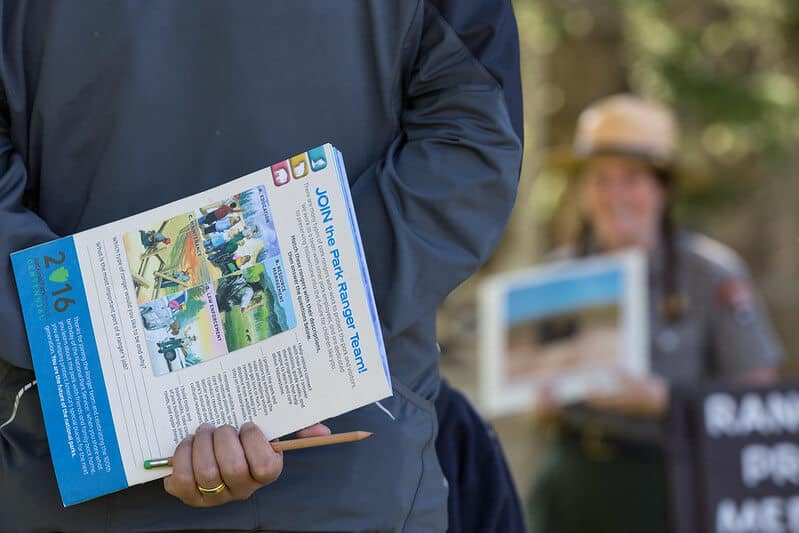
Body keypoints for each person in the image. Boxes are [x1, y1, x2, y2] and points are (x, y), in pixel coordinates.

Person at [0, 2, 522, 532]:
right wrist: (305, 328)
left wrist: (100, 357)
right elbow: (472, 136)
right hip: (344, 466)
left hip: (76, 452)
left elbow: (471, 131)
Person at [526, 94, 784, 533]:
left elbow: (757, 398)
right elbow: (533, 388)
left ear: (663, 189)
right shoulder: (557, 276)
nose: (614, 196)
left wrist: (664, 401)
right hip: (572, 479)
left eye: (632, 180)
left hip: (671, 480)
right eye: (600, 180)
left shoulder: (710, 275)